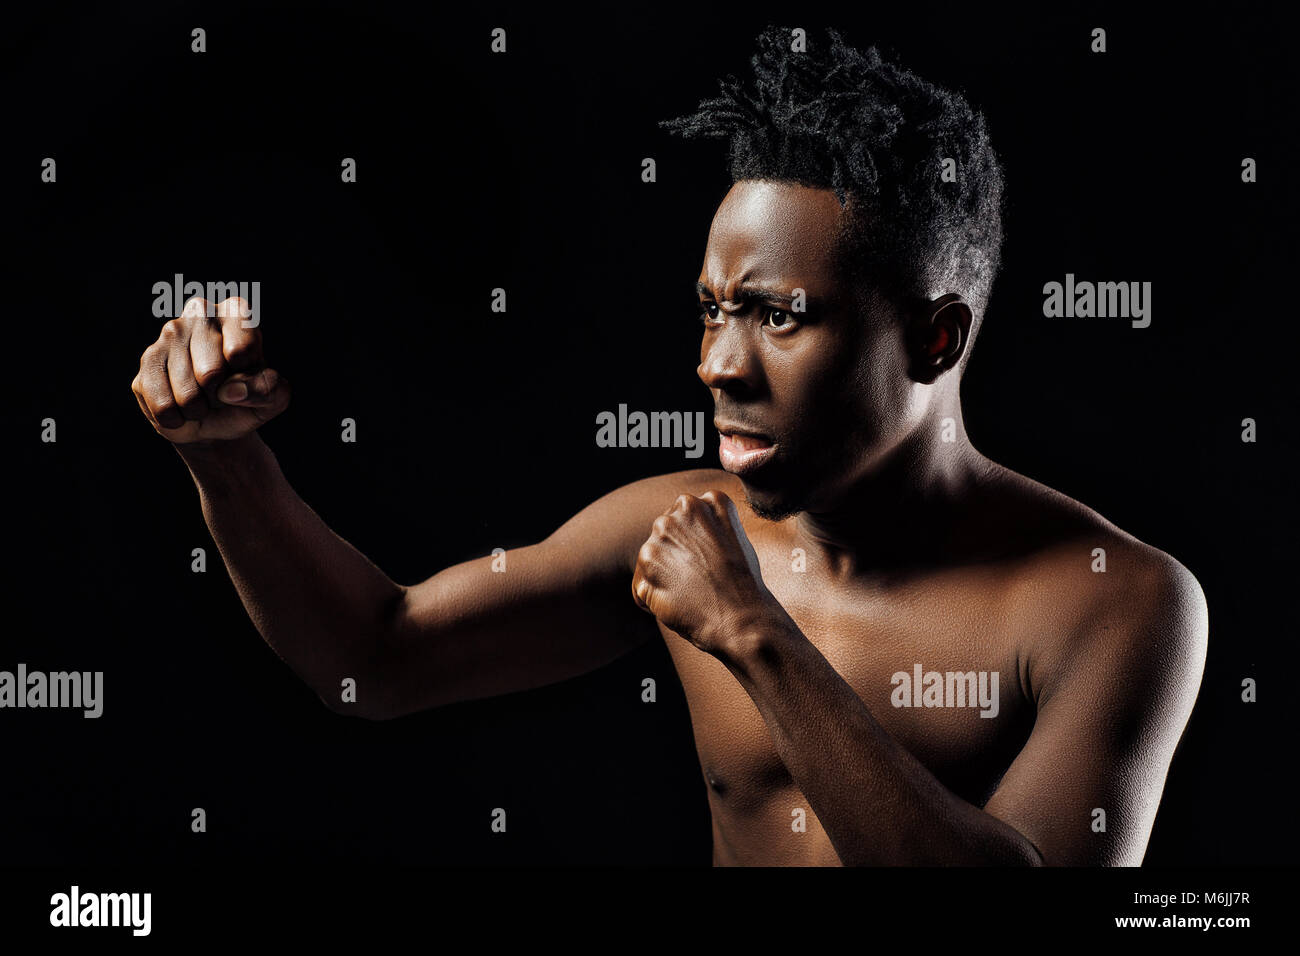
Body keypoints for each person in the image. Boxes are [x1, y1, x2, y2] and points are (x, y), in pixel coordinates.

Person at [129, 27, 1206, 866]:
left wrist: (754, 633)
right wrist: (226, 460)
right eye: (710, 310)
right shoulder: (679, 527)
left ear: (934, 337)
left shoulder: (1114, 600)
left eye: (778, 316)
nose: (717, 364)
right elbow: (375, 659)